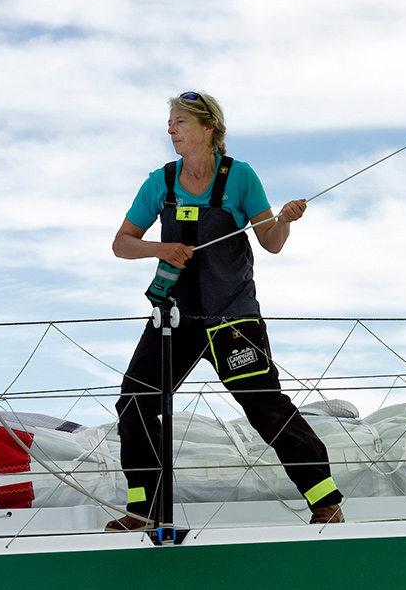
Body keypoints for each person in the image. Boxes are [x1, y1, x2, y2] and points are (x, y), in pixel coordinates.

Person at [105, 91, 343, 530]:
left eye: (180, 121)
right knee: (134, 402)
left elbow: (271, 242)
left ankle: (325, 501)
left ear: (208, 127)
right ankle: (144, 509)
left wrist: (284, 220)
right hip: (174, 320)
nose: (171, 129)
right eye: (170, 122)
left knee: (265, 406)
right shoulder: (160, 182)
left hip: (233, 318)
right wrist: (160, 248)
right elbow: (122, 243)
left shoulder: (241, 177)